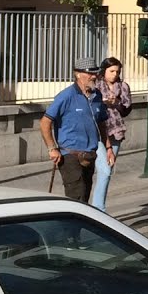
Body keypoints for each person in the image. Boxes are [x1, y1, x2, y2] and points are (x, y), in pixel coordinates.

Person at [41, 57, 114, 203]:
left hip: (90, 154)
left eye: (95, 72)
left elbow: (101, 123)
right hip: (69, 154)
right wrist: (52, 148)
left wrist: (108, 147)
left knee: (85, 195)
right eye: (90, 73)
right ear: (78, 74)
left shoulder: (97, 95)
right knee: (77, 196)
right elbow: (45, 122)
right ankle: (70, 225)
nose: (94, 76)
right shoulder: (66, 96)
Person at [90, 57, 132, 211]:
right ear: (104, 71)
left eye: (117, 71)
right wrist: (103, 102)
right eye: (111, 71)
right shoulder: (96, 85)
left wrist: (116, 103)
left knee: (106, 171)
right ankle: (99, 209)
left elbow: (126, 110)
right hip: (99, 132)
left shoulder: (123, 86)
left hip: (116, 131)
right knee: (105, 170)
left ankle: (97, 206)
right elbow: (90, 105)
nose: (114, 74)